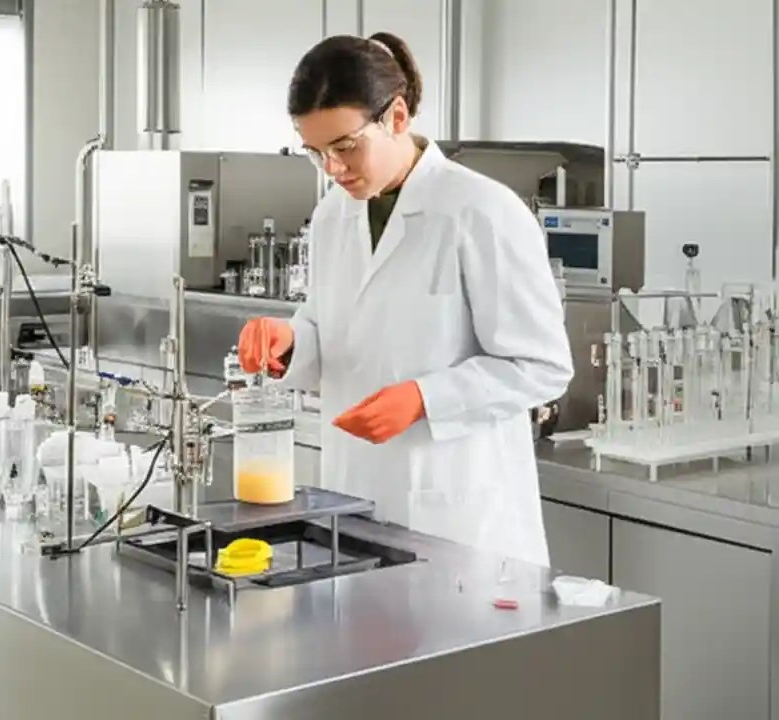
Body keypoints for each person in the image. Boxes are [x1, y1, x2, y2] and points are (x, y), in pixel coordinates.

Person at [238, 32, 572, 566]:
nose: (333, 169)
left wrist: (423, 399)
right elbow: (331, 325)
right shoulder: (333, 215)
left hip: (457, 519)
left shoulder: (482, 210)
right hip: (352, 499)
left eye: (345, 147)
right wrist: (290, 340)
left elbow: (542, 366)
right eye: (316, 153)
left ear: (396, 117)